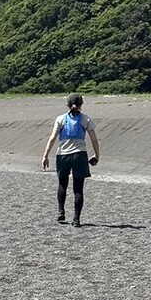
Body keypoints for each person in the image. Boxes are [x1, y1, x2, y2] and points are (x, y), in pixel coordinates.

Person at [41, 94, 100, 226]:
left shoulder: (60, 118)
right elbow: (94, 139)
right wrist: (96, 155)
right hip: (79, 155)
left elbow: (52, 138)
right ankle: (76, 219)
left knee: (62, 184)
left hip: (62, 155)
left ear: (67, 104)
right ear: (81, 104)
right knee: (78, 189)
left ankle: (61, 212)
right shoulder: (86, 119)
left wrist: (45, 155)